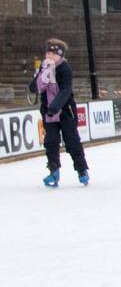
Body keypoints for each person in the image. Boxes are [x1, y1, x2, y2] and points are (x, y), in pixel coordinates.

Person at [30, 38, 89, 188]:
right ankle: (54, 171)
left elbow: (65, 91)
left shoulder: (64, 69)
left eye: (53, 54)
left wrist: (55, 107)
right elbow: (33, 88)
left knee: (72, 141)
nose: (49, 56)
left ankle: (82, 170)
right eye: (48, 53)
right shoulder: (44, 68)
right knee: (50, 142)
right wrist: (42, 74)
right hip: (48, 113)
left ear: (60, 55)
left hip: (65, 111)